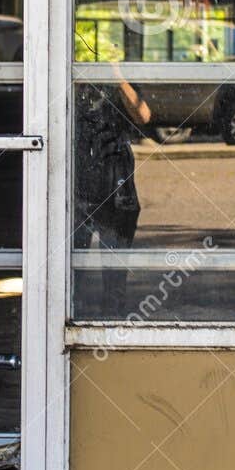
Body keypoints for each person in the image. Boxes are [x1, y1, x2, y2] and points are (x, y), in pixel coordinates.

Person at [74, 61, 152, 314]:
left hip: (116, 187)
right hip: (79, 186)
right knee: (71, 271)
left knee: (115, 273)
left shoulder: (120, 85)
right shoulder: (73, 85)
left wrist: (117, 77)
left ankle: (111, 324)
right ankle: (71, 321)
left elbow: (143, 115)